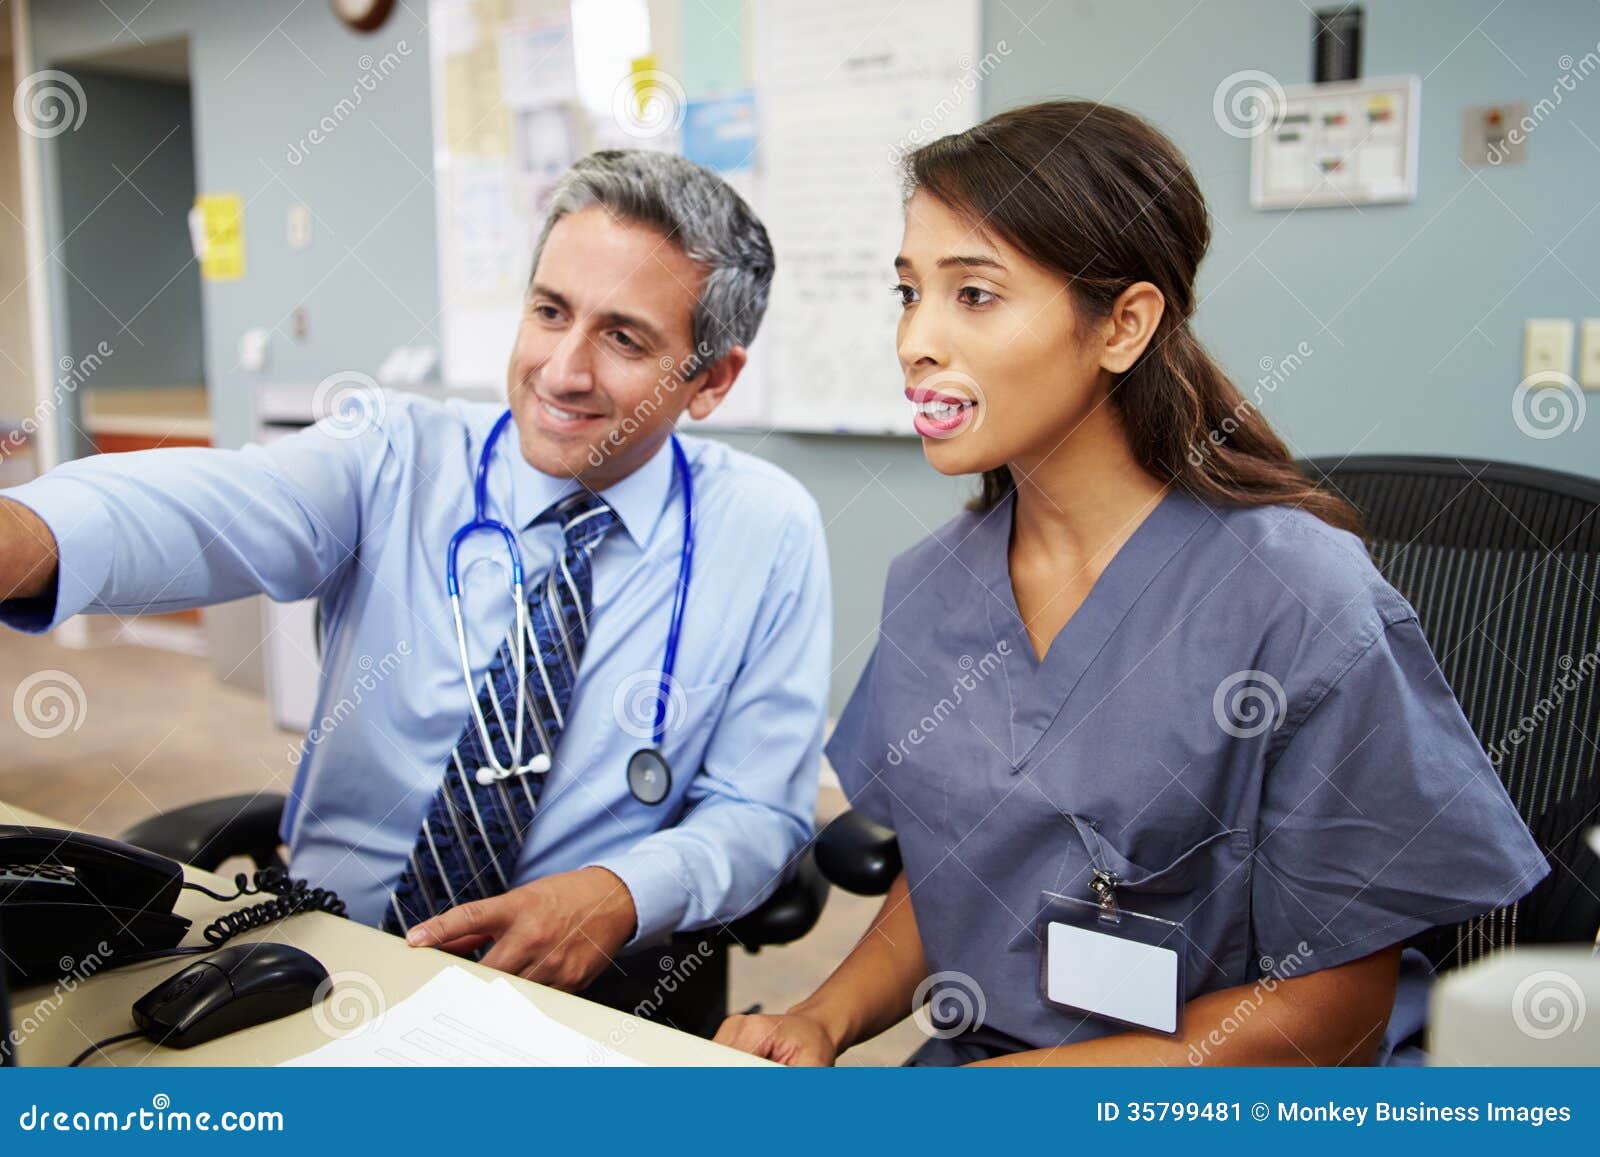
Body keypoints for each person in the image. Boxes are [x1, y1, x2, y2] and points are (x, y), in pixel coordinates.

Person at [715, 101, 1548, 1066]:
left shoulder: (1298, 599)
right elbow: (951, 882)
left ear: (1124, 325)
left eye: (974, 295)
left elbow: (1334, 1013)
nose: (916, 343)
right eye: (909, 294)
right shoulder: (933, 589)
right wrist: (821, 1015)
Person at [0, 150, 830, 1037]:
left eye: (624, 338)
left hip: (581, 992)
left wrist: (620, 894)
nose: (562, 370)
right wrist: (28, 534)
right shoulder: (396, 450)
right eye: (549, 312)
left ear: (712, 379)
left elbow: (760, 807)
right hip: (330, 955)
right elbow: (209, 508)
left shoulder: (767, 528)